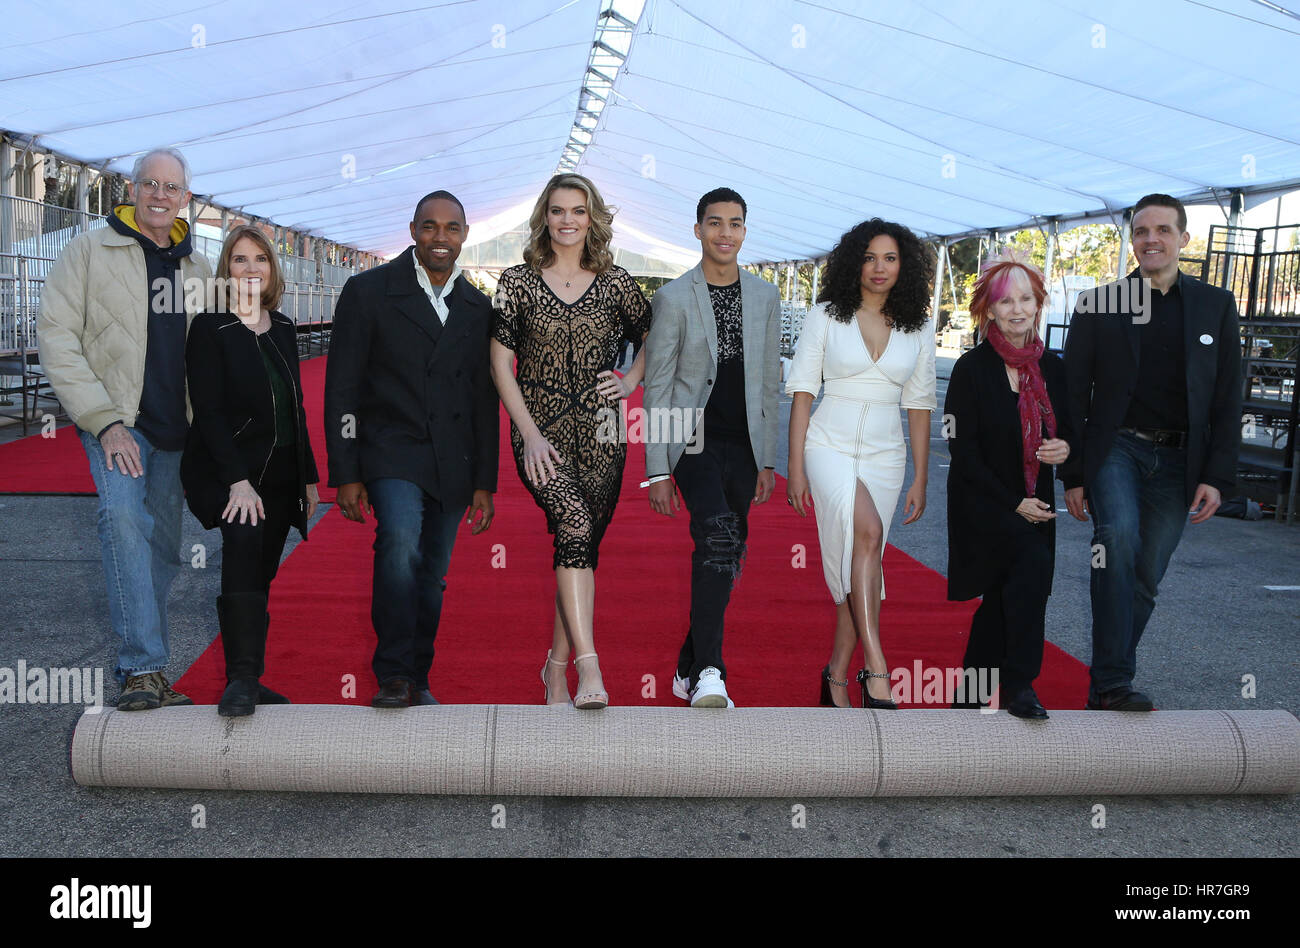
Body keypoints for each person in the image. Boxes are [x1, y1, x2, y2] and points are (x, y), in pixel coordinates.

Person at [37, 147, 213, 710]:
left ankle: (150, 667)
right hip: (117, 420)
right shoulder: (89, 250)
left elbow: (213, 353)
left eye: (171, 186)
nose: (160, 194)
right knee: (121, 520)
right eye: (150, 184)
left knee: (162, 547)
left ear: (186, 197)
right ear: (131, 189)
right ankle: (142, 666)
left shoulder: (197, 267)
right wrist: (104, 421)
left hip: (175, 431)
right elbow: (57, 336)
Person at [1061, 194, 1241, 711]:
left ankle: (1104, 684)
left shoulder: (1215, 305)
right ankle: (1116, 681)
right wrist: (1074, 475)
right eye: (1142, 231)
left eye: (1163, 230)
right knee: (1116, 540)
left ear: (1184, 239)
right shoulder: (1099, 304)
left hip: (1181, 462)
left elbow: (1229, 393)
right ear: (1132, 240)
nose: (1152, 239)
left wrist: (1217, 476)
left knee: (1146, 574)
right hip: (1117, 448)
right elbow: (1074, 395)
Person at [324, 190, 498, 708]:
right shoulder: (369, 291)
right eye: (429, 226)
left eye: (450, 228)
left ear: (464, 235)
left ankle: (418, 674)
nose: (439, 237)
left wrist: (484, 482)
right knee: (399, 545)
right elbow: (342, 389)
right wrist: (347, 471)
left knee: (433, 572)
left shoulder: (477, 307)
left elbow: (484, 400)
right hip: (391, 450)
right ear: (412, 230)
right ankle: (394, 673)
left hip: (454, 459)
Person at [490, 173, 651, 710]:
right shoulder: (516, 282)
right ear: (545, 217)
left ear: (592, 217)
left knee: (578, 545)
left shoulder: (617, 283)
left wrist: (629, 381)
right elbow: (500, 364)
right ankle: (590, 668)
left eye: (577, 211)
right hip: (542, 435)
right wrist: (529, 435)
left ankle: (555, 671)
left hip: (604, 433)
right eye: (557, 210)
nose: (567, 220)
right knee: (575, 524)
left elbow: (657, 336)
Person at [785, 219, 935, 709]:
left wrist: (921, 477)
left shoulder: (918, 324)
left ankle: (834, 677)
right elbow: (803, 391)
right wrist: (796, 466)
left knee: (863, 556)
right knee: (865, 534)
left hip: (886, 453)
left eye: (890, 258)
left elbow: (919, 404)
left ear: (904, 266)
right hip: (827, 443)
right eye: (870, 257)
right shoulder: (826, 315)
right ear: (854, 261)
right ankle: (877, 666)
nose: (879, 267)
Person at [643, 187, 781, 709]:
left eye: (736, 223)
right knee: (719, 537)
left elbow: (769, 381)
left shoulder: (766, 297)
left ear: (745, 231)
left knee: (727, 552)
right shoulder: (674, 297)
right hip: (692, 440)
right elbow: (657, 387)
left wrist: (768, 459)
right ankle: (710, 671)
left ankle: (685, 663)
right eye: (715, 222)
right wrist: (658, 470)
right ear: (697, 229)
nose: (726, 233)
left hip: (744, 445)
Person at [180, 225, 320, 716]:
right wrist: (237, 481)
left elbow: (295, 406)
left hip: (282, 470)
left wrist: (309, 477)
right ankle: (240, 679)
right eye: (240, 260)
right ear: (227, 270)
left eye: (260, 258)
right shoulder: (209, 328)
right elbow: (209, 412)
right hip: (232, 472)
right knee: (242, 550)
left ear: (271, 268)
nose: (251, 268)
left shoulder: (281, 326)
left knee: (261, 571)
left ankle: (250, 676)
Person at [944, 256, 1074, 719]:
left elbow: (1069, 431)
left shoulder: (1053, 368)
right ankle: (1020, 683)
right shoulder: (971, 369)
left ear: (1039, 304)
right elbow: (963, 450)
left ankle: (971, 690)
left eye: (1025, 298)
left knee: (1007, 591)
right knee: (1029, 570)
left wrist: (1063, 449)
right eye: (1005, 301)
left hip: (1035, 498)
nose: (1017, 309)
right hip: (983, 501)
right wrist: (1013, 502)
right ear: (989, 310)